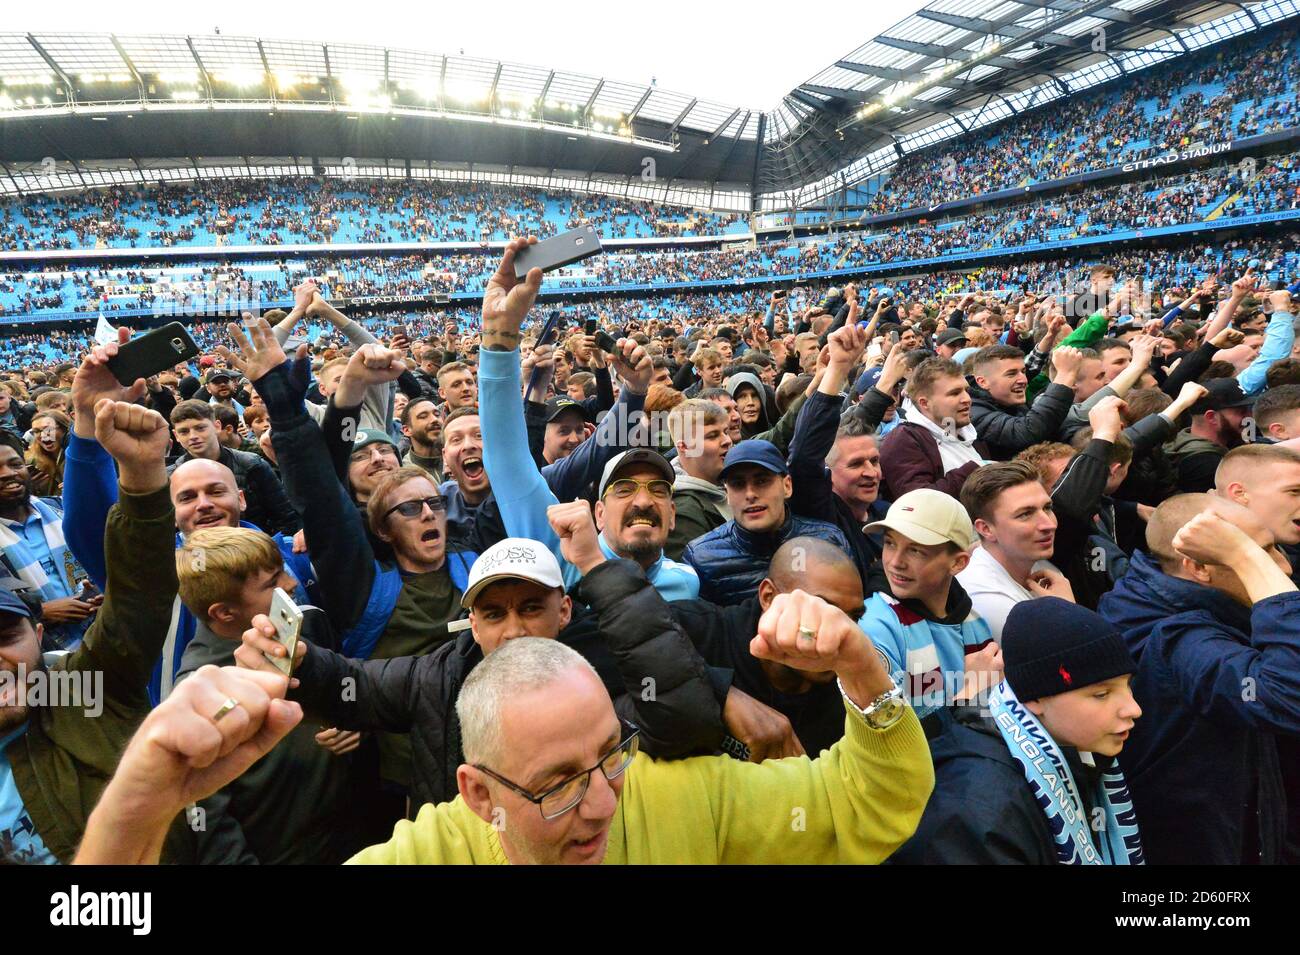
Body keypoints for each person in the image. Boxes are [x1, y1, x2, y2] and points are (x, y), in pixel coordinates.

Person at [76, 591, 935, 866]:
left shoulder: (692, 795)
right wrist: (138, 808)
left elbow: (864, 801)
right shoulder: (429, 856)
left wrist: (862, 669)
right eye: (558, 780)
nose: (601, 803)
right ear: (476, 791)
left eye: (610, 756)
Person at [227, 503, 723, 812]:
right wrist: (297, 662)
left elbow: (683, 718)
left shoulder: (604, 683)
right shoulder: (438, 677)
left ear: (565, 610)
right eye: (493, 614)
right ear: (473, 622)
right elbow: (353, 683)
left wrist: (595, 565)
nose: (513, 631)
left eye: (531, 608)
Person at [2, 398, 182, 863]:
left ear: (36, 635)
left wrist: (142, 478)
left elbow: (140, 594)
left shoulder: (84, 692)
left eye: (5, 637)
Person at [1099, 495, 1300, 864]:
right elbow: (1290, 694)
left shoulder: (1166, 597)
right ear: (1199, 569)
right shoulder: (1181, 639)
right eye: (1264, 553)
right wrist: (1244, 556)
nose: (1283, 568)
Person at [172, 526, 371, 864]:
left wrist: (357, 720)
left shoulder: (304, 629)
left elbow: (356, 691)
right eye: (272, 584)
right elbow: (212, 827)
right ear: (223, 612)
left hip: (360, 841)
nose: (291, 584)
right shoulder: (199, 696)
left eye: (283, 573)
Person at [892, 597, 1144, 865]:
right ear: (1034, 698)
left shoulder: (1083, 754)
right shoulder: (980, 810)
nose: (1133, 709)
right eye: (1102, 694)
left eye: (1127, 686)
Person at [859, 488, 996, 723]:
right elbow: (894, 737)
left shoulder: (973, 620)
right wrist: (970, 694)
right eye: (890, 543)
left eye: (915, 551)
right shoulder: (874, 627)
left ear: (958, 563)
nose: (895, 562)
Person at [684, 439, 850, 606]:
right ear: (727, 493)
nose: (750, 494)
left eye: (762, 481)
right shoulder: (702, 558)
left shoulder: (829, 540)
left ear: (787, 486)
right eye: (738, 484)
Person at [0, 431, 97, 652]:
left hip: (102, 640)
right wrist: (40, 612)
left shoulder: (63, 510)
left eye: (15, 464)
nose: (8, 474)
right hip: (44, 665)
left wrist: (100, 594)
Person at [957, 461, 1071, 641]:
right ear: (986, 529)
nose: (1049, 524)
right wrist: (1067, 611)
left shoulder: (1038, 563)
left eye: (1047, 508)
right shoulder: (987, 601)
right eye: (1025, 514)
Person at [167, 399, 301, 537]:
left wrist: (270, 551)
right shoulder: (170, 478)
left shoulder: (251, 465)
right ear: (176, 435)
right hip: (196, 554)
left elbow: (286, 517)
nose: (193, 436)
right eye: (184, 432)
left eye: (200, 428)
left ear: (217, 426)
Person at [880, 356, 986, 499]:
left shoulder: (956, 428)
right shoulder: (904, 440)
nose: (966, 399)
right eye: (954, 393)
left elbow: (949, 443)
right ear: (924, 403)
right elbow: (919, 501)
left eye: (966, 390)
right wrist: (976, 469)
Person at [968, 345, 1082, 461]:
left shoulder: (1012, 402)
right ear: (983, 382)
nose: (1023, 380)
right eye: (1011, 374)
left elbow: (1049, 433)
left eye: (1023, 372)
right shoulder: (972, 411)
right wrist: (1064, 376)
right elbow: (1026, 432)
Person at [663, 399, 732, 560]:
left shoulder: (734, 484)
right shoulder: (682, 512)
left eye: (726, 432)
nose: (727, 441)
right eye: (712, 436)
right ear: (684, 447)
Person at [1164, 378, 1254, 492]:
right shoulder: (1205, 464)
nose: (1249, 416)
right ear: (1211, 417)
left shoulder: (1183, 436)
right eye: (1241, 412)